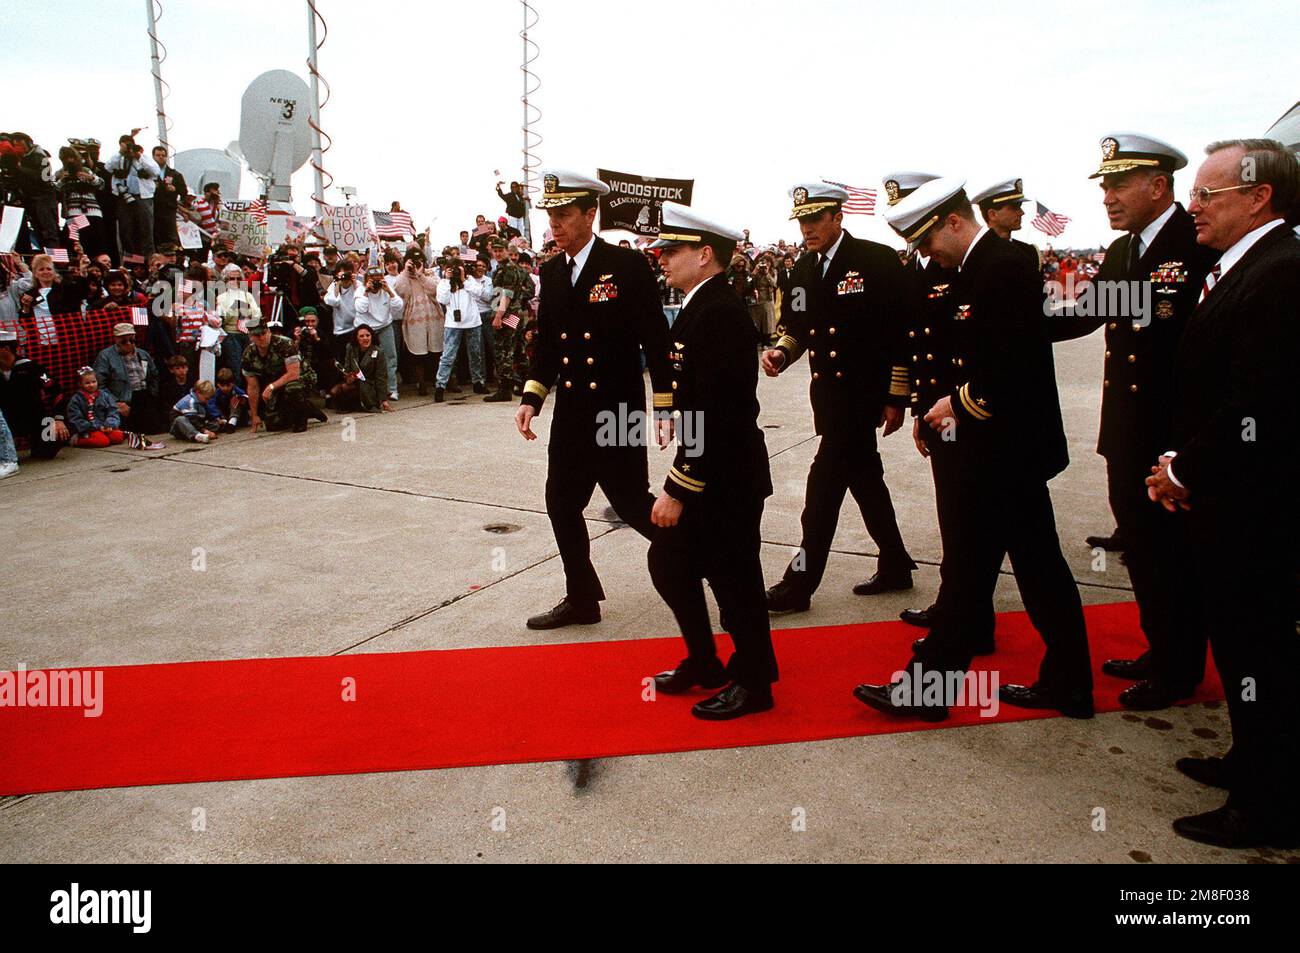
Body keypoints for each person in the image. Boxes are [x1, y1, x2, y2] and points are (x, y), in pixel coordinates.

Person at [857, 177, 1092, 721]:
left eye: (926, 241)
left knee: (975, 569)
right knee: (1031, 567)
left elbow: (1015, 365)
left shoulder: (1002, 267)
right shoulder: (972, 268)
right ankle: (1068, 684)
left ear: (955, 222)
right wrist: (933, 408)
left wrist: (956, 406)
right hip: (996, 448)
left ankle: (929, 692)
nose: (924, 254)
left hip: (1002, 448)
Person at [1146, 138, 1300, 848]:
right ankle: (1252, 759)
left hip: (1256, 509)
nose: (1195, 205)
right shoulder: (1245, 267)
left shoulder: (1280, 273)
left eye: (1208, 194)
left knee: (1258, 649)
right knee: (1241, 651)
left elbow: (1260, 404)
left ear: (1259, 196)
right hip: (1232, 495)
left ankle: (1266, 803)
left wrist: (1186, 469)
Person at [1051, 133, 1219, 711]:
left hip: (1175, 438)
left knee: (1174, 555)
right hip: (1126, 430)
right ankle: (1163, 650)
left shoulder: (1197, 243)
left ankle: (1179, 670)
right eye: (1104, 186)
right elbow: (1084, 314)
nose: (1108, 197)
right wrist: (1015, 318)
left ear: (1158, 185)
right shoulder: (1124, 252)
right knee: (1145, 553)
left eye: (1119, 184)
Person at [512, 169, 674, 629]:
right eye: (551, 215)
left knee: (629, 502)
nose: (555, 225)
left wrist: (664, 404)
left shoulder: (625, 267)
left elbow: (656, 340)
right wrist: (532, 397)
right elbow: (548, 346)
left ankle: (702, 558)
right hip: (573, 412)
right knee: (560, 503)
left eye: (564, 215)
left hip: (618, 409)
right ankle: (581, 597)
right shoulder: (551, 271)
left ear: (590, 213)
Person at [645, 204, 778, 720]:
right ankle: (705, 661)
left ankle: (754, 683)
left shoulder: (718, 312)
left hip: (725, 474)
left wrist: (679, 487)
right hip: (711, 467)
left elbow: (717, 414)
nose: (662, 259)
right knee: (671, 560)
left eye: (671, 250)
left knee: (735, 580)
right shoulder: (702, 307)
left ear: (705, 255)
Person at [759, 182, 917, 613]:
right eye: (802, 220)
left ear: (837, 217)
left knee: (822, 489)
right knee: (865, 479)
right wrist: (780, 353)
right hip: (828, 397)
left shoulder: (875, 260)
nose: (807, 228)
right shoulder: (802, 270)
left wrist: (897, 395)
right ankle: (896, 562)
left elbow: (903, 330)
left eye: (814, 219)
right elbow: (798, 327)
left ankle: (800, 582)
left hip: (864, 395)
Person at [242, 318, 328, 433]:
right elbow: (253, 387)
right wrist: (254, 415)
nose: (261, 338)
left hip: (302, 377)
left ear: (268, 331)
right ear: (250, 337)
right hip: (278, 383)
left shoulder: (285, 344)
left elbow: (294, 374)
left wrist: (271, 387)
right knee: (273, 425)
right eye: (256, 336)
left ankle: (301, 419)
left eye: (263, 333)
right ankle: (307, 408)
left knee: (292, 388)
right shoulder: (249, 354)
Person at [0, 328, 67, 459]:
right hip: (7, 422)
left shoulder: (32, 368)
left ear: (5, 349)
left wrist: (58, 419)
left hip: (34, 419)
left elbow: (56, 391)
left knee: (47, 449)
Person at [93, 323, 164, 434]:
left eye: (132, 340)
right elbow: (99, 385)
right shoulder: (105, 356)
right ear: (116, 339)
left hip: (144, 397)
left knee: (155, 432)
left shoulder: (143, 354)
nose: (129, 344)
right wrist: (116, 403)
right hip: (123, 400)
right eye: (124, 341)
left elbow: (155, 375)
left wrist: (152, 393)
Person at [484, 238, 531, 402]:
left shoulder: (509, 269)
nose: (497, 254)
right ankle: (527, 385)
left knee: (503, 350)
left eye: (500, 250)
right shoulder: (502, 268)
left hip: (508, 314)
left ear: (506, 250)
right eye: (495, 251)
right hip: (513, 314)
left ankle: (504, 389)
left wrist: (498, 316)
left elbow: (507, 294)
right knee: (518, 349)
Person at [393, 246, 444, 396]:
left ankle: (440, 381)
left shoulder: (431, 273)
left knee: (436, 350)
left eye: (419, 260)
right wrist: (406, 271)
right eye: (413, 260)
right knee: (417, 352)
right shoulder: (404, 276)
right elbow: (400, 291)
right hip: (414, 318)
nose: (417, 263)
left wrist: (420, 275)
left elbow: (435, 290)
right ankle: (421, 383)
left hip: (433, 317)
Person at [434, 256, 485, 401]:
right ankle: (440, 385)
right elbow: (442, 300)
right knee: (448, 356)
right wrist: (449, 281)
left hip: (473, 322)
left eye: (458, 269)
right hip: (453, 324)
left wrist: (463, 280)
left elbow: (479, 293)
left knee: (475, 354)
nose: (455, 272)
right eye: (453, 269)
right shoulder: (443, 283)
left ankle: (478, 382)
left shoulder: (469, 281)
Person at [354, 266, 403, 402]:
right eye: (373, 280)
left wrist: (389, 291)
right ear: (367, 280)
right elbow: (360, 308)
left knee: (390, 358)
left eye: (378, 280)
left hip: (385, 326)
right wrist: (366, 291)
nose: (376, 283)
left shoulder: (386, 289)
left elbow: (399, 306)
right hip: (366, 329)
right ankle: (366, 391)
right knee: (365, 361)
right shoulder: (360, 290)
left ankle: (392, 389)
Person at [969, 178, 1041, 271]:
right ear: (993, 214)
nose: (1022, 212)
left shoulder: (1029, 252)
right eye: (1014, 207)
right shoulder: (976, 254)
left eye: (1020, 207)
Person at [53, 146, 106, 258]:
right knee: (75, 242)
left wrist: (91, 178)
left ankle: (96, 267)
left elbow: (102, 185)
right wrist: (62, 181)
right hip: (74, 214)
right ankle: (76, 265)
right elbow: (53, 192)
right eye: (66, 158)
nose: (70, 161)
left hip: (93, 213)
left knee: (96, 243)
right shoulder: (59, 173)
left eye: (72, 157)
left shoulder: (86, 170)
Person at [328, 323, 391, 413]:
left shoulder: (378, 352)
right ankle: (348, 407)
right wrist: (348, 377)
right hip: (355, 381)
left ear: (372, 336)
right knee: (334, 391)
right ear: (357, 338)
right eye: (361, 336)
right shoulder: (350, 347)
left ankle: (366, 402)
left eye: (367, 335)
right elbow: (347, 367)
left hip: (369, 384)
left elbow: (381, 377)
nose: (365, 338)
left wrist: (384, 400)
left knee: (345, 388)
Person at [216, 263, 260, 382]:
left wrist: (244, 308)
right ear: (225, 280)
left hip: (248, 335)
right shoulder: (221, 298)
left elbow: (257, 315)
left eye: (238, 278)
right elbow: (222, 319)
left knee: (250, 368)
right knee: (235, 367)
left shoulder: (248, 295)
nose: (235, 281)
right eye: (231, 278)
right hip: (231, 335)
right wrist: (234, 308)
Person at [65, 367, 126, 448]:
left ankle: (105, 436)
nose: (91, 385)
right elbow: (75, 418)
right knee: (102, 441)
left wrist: (110, 424)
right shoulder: (76, 399)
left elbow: (113, 410)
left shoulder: (104, 395)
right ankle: (77, 441)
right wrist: (95, 427)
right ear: (80, 384)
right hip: (89, 428)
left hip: (105, 426)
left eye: (94, 382)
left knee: (118, 436)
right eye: (87, 383)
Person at [151, 145, 186, 251]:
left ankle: (172, 259)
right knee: (154, 236)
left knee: (170, 236)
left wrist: (175, 189)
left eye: (163, 155)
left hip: (168, 209)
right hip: (153, 208)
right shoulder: (148, 173)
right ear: (153, 156)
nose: (161, 157)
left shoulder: (175, 174)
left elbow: (184, 192)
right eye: (158, 155)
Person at [170, 379, 220, 444]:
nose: (207, 401)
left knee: (215, 424)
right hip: (181, 427)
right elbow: (192, 420)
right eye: (206, 398)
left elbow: (205, 415)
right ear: (198, 392)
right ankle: (196, 435)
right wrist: (205, 430)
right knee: (180, 419)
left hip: (196, 423)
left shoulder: (201, 400)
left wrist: (216, 420)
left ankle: (199, 433)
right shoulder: (190, 401)